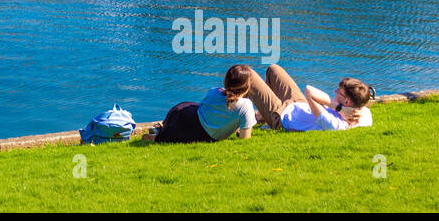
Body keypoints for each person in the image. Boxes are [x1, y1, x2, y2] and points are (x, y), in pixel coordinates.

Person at [245, 64, 375, 132]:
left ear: (347, 101)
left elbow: (309, 90)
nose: (335, 91)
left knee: (247, 75)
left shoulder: (335, 124)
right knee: (273, 69)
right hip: (299, 104)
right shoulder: (364, 114)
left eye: (339, 92)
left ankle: (237, 116)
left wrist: (338, 108)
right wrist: (343, 109)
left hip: (281, 117)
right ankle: (262, 116)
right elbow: (364, 108)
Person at [154, 65, 259, 143]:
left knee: (189, 110)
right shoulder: (246, 106)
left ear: (226, 81)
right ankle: (156, 135)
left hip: (183, 117)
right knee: (164, 138)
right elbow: (245, 139)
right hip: (196, 130)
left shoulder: (214, 91)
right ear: (247, 86)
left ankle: (161, 129)